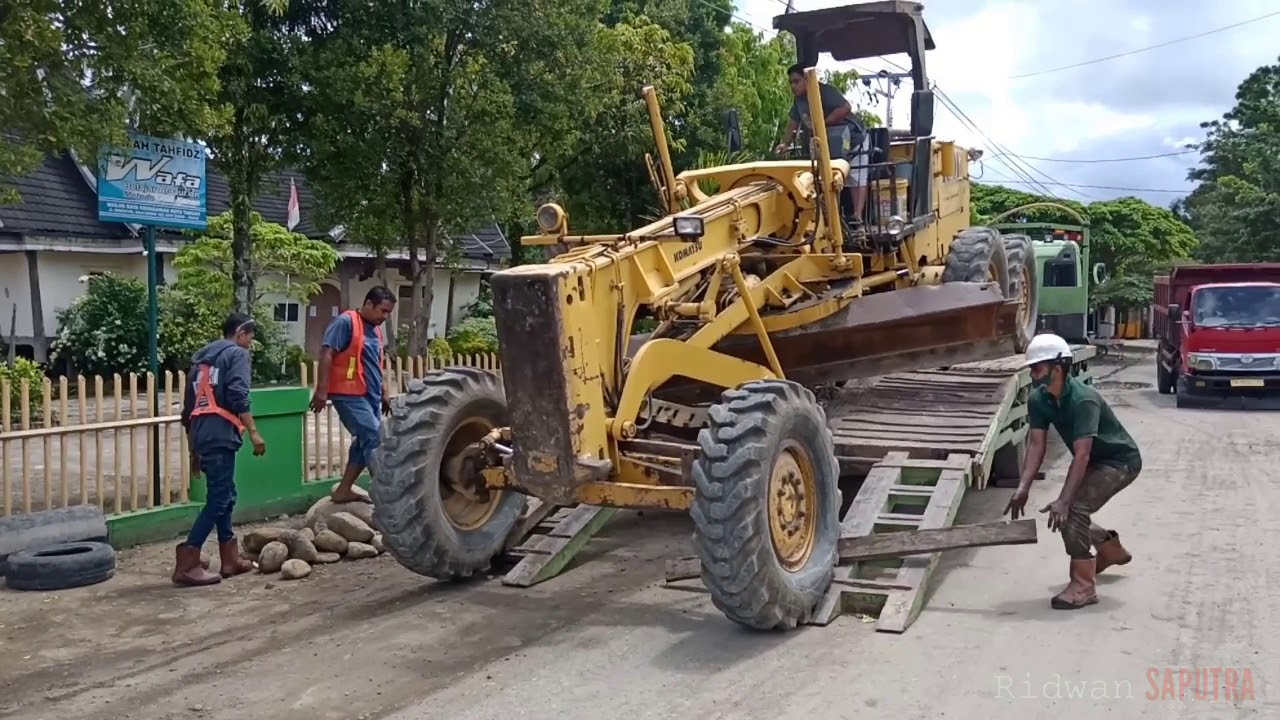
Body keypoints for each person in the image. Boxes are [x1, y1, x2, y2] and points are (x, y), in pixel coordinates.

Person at [1004, 333, 1141, 610]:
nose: (1033, 373)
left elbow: (1082, 453)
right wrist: (1023, 487)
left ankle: (1083, 587)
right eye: (1031, 367)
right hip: (1095, 462)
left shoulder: (1083, 400)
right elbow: (1036, 445)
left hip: (1120, 461)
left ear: (1058, 367)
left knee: (1072, 510)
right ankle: (1107, 546)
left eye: (1037, 367)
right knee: (1069, 510)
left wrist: (1065, 501)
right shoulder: (1038, 400)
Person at [173, 312, 267, 587]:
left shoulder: (199, 363)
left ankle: (230, 559)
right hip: (222, 433)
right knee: (219, 499)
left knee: (226, 495)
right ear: (240, 333)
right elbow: (239, 395)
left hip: (203, 435)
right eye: (250, 336)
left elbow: (189, 412)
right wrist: (253, 431)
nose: (250, 342)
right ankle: (188, 561)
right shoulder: (236, 355)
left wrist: (194, 451)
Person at [310, 286, 396, 504]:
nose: (385, 317)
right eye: (382, 311)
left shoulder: (375, 329)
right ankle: (388, 496)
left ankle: (343, 490)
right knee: (374, 436)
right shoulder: (346, 322)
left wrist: (384, 392)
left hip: (370, 395)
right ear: (368, 304)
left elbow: (376, 363)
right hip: (348, 394)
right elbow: (327, 352)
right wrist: (321, 390)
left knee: (363, 441)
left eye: (388, 313)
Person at [773, 64, 869, 223]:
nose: (793, 86)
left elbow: (845, 107)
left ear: (807, 79)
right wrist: (785, 143)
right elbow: (793, 122)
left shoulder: (824, 91)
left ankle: (857, 217)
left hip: (853, 138)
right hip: (828, 143)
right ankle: (828, 218)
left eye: (796, 81)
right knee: (823, 177)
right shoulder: (798, 101)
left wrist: (823, 124)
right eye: (791, 82)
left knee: (855, 175)